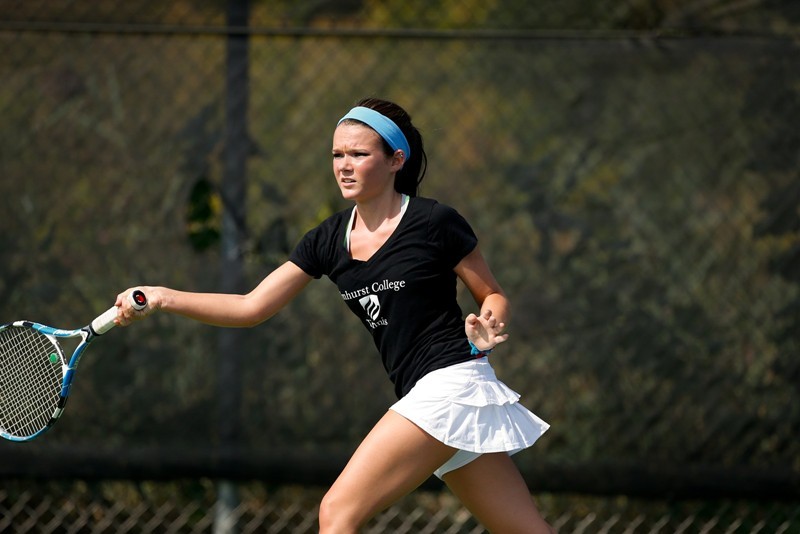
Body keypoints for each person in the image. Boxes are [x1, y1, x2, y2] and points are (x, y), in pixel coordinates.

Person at [115, 97, 553, 533]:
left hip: (453, 384)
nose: (344, 165)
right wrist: (162, 296)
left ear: (395, 159)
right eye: (337, 155)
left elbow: (491, 294)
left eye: (359, 154)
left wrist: (488, 323)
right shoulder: (326, 240)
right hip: (427, 390)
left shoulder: (433, 221)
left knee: (337, 512)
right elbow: (251, 307)